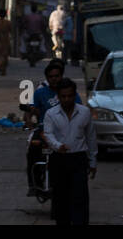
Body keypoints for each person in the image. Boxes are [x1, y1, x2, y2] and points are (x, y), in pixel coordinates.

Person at [42, 78, 97, 226]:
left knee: (80, 198)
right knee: (61, 198)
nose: (67, 99)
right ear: (58, 97)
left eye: (70, 96)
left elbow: (91, 138)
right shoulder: (51, 114)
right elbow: (48, 134)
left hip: (79, 159)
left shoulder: (84, 112)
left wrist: (93, 162)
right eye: (63, 96)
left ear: (75, 95)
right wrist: (57, 145)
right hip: (59, 159)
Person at [25, 59, 81, 195]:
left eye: (57, 76)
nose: (54, 79)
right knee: (33, 150)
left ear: (61, 76)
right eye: (51, 77)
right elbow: (29, 111)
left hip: (65, 129)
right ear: (47, 78)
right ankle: (34, 184)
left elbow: (80, 110)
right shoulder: (40, 93)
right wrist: (29, 121)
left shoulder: (70, 92)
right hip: (44, 129)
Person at [0, 8, 11, 76]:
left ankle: (0, 68)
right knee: (4, 55)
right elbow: (10, 31)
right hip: (5, 40)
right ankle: (2, 69)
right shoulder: (8, 22)